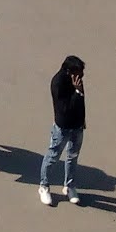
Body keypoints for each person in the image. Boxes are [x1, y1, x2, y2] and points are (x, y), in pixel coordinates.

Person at [38, 56, 87, 206]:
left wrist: (83, 119)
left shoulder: (77, 81)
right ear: (68, 71)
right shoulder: (57, 83)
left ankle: (69, 186)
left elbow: (81, 101)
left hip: (77, 126)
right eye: (79, 73)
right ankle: (44, 186)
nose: (81, 76)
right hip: (63, 127)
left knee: (73, 156)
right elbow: (64, 109)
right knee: (53, 156)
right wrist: (77, 92)